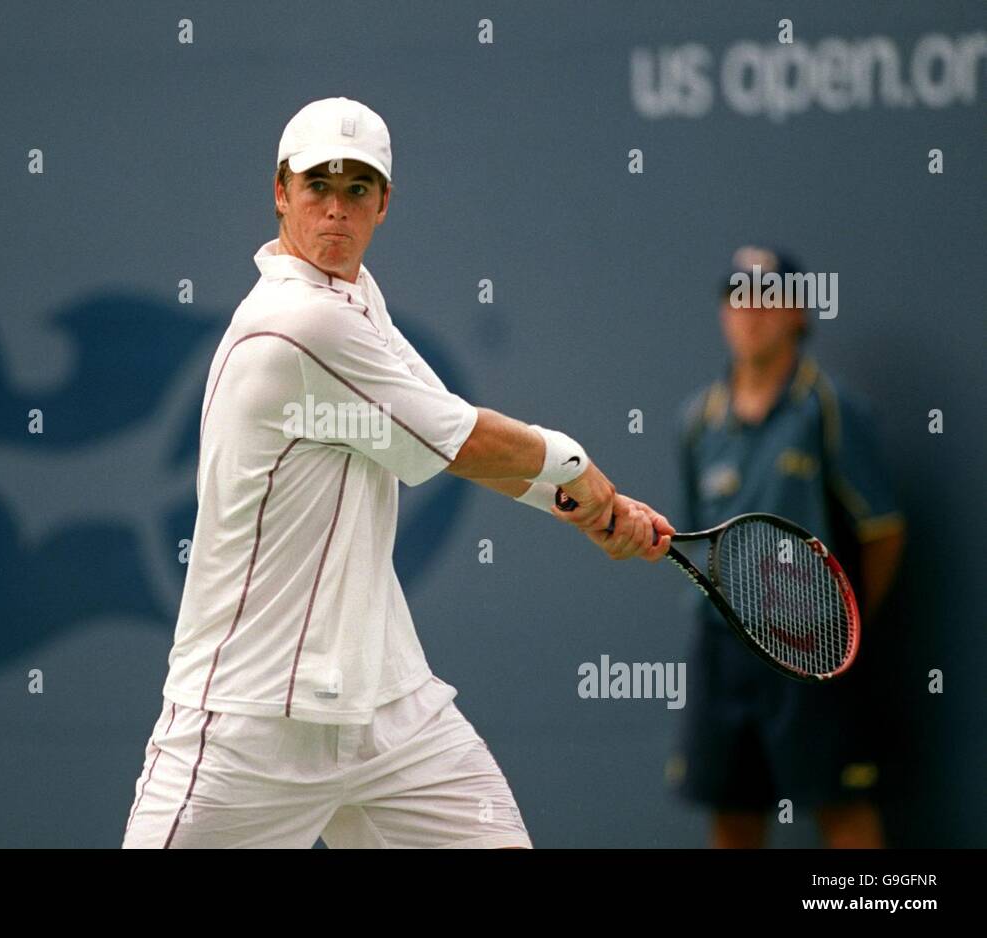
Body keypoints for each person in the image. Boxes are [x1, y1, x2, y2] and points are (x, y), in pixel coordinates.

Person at [122, 96, 673, 849]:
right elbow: (465, 441)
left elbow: (438, 421)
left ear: (385, 203)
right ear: (280, 191)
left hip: (387, 715)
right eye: (318, 187)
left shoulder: (356, 299)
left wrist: (583, 509)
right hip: (252, 722)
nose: (336, 213)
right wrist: (583, 473)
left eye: (358, 191)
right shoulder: (297, 322)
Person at [669, 246, 906, 848]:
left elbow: (882, 532)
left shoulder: (831, 408)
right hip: (723, 648)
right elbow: (701, 536)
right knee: (731, 815)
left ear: (799, 313)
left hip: (811, 647)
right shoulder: (697, 419)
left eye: (768, 298)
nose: (751, 313)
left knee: (842, 809)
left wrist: (838, 631)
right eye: (737, 298)